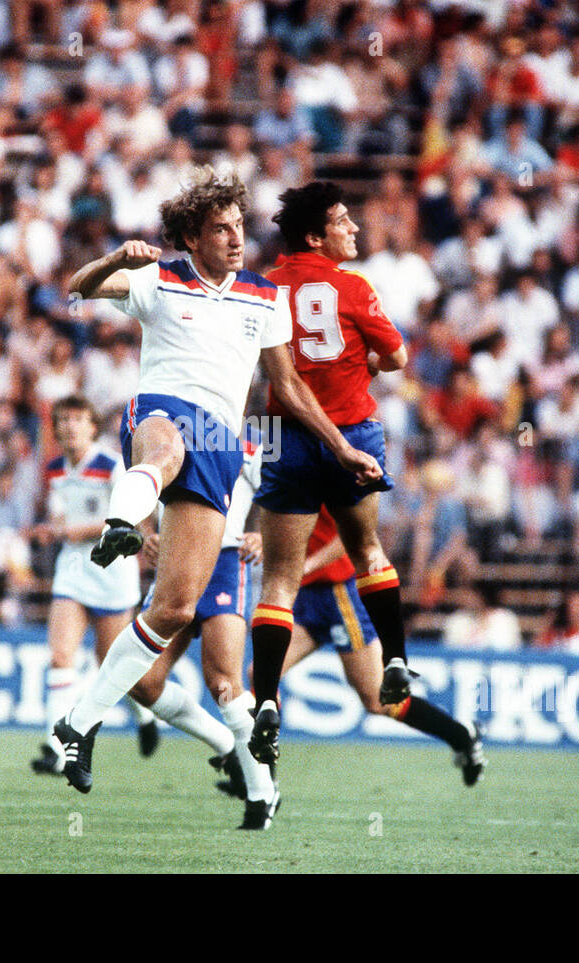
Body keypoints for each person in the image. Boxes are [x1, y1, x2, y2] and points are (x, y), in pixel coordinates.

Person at [52, 168, 378, 800]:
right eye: (220, 228)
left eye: (238, 226)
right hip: (162, 412)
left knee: (171, 609)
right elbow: (77, 287)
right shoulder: (160, 278)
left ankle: (76, 724)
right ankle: (123, 522)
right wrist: (119, 256)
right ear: (192, 238)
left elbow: (288, 387)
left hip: (221, 446)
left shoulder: (265, 297)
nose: (234, 238)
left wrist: (339, 446)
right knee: (166, 446)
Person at [248, 180, 480, 768]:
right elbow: (399, 358)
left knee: (277, 582)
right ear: (314, 235)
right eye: (343, 221)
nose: (354, 229)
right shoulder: (351, 286)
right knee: (370, 549)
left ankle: (268, 704)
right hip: (351, 430)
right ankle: (399, 656)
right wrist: (362, 364)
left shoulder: (265, 288)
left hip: (284, 436)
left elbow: (258, 366)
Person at [125, 439, 279, 829]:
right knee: (142, 682)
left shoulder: (256, 442)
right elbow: (138, 487)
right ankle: (227, 745)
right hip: (176, 562)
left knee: (224, 682)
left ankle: (262, 797)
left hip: (226, 560)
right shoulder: (167, 434)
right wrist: (146, 531)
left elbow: (279, 491)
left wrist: (261, 533)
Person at [278, 508, 488, 784]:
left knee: (379, 701)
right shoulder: (284, 472)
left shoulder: (325, 474)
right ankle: (260, 785)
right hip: (308, 596)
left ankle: (461, 736)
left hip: (338, 595)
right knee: (260, 675)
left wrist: (305, 565)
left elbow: (351, 536)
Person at [28, 396, 154, 776]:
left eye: (77, 419)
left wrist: (74, 530)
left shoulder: (112, 465)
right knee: (60, 656)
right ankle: (56, 746)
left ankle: (144, 715)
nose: (68, 426)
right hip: (73, 570)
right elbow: (58, 514)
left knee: (110, 664)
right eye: (63, 419)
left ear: (92, 426)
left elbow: (128, 519)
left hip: (112, 571)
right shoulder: (54, 468)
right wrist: (50, 530)